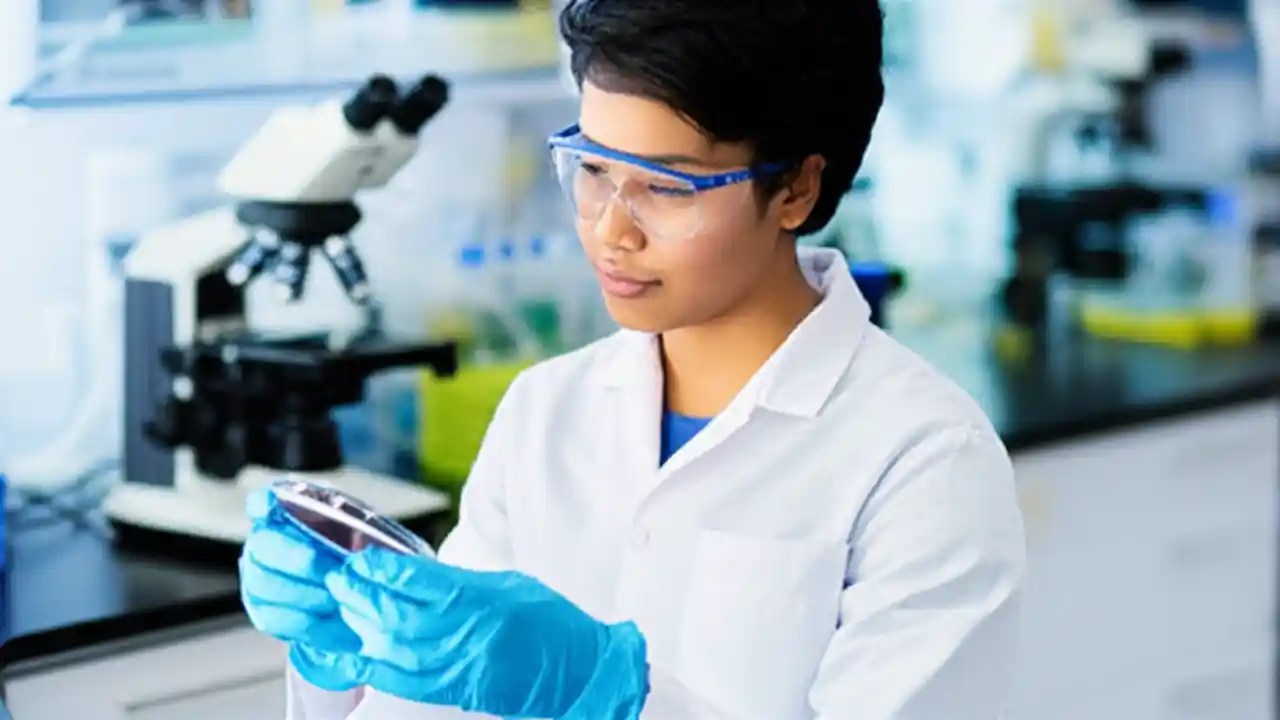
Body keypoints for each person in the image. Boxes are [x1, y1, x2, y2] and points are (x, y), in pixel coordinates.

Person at [238, 0, 1027, 717]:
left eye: (667, 188)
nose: (611, 230)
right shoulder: (545, 408)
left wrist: (606, 695)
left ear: (795, 189)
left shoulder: (925, 458)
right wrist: (345, 661)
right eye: (594, 168)